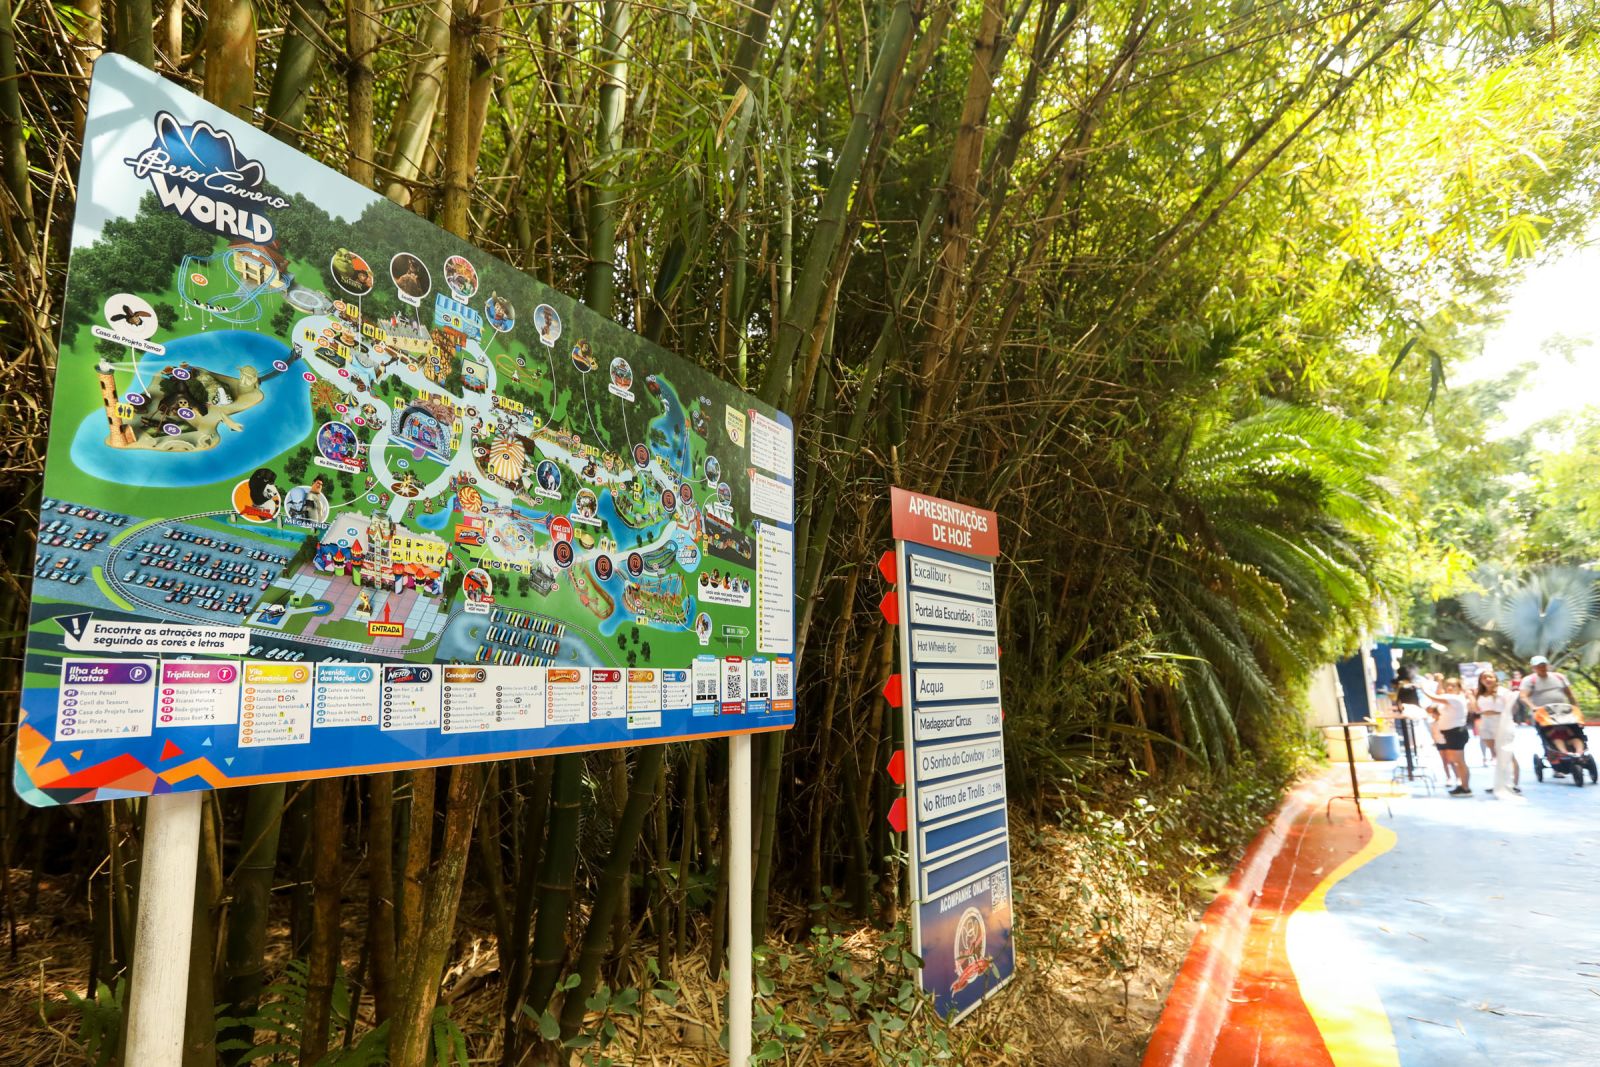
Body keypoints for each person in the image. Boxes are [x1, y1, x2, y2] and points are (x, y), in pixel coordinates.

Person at [1518, 655, 1587, 755]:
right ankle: (1561, 752)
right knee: (1549, 735)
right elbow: (1523, 696)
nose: (1542, 668)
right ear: (1533, 668)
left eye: (1543, 665)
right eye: (1538, 666)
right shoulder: (1529, 680)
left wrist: (1577, 710)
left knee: (1576, 732)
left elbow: (1570, 695)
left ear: (1548, 666)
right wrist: (1533, 707)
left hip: (1563, 712)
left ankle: (1579, 752)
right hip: (1543, 714)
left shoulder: (1559, 677)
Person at [1418, 674, 1471, 794]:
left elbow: (1434, 697)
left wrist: (1423, 687)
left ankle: (1465, 787)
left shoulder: (1456, 698)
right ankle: (1463, 785)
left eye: (1453, 686)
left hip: (1455, 732)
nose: (1450, 688)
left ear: (1459, 688)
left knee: (1460, 761)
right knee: (1456, 761)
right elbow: (1435, 702)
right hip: (1449, 732)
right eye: (1449, 686)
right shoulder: (1448, 699)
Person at [1472, 669, 1520, 794]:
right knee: (1497, 755)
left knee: (1507, 754)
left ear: (1495, 679)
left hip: (1501, 722)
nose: (1487, 680)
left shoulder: (1503, 692)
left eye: (1490, 677)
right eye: (1484, 678)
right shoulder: (1479, 693)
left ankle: (1513, 783)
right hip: (1486, 722)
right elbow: (1476, 709)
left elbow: (1512, 708)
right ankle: (1500, 783)